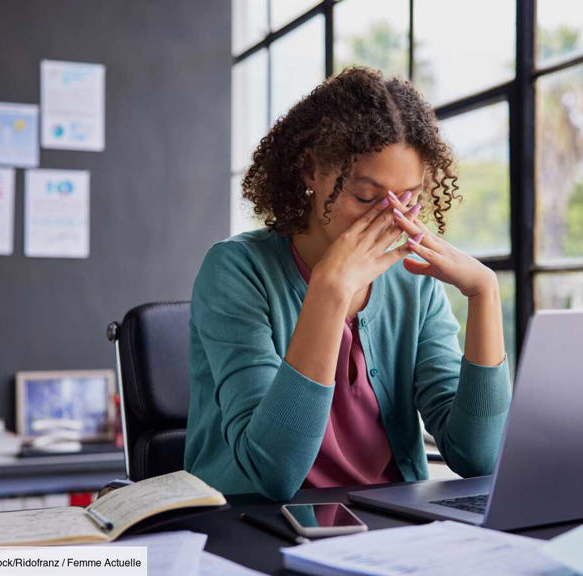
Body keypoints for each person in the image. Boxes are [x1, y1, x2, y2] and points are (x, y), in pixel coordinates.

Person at [184, 66, 512, 501]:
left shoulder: (413, 281)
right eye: (366, 197)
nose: (391, 219)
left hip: (395, 528)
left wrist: (483, 294)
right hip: (259, 525)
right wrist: (330, 291)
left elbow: (480, 457)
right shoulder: (235, 270)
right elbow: (272, 472)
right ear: (310, 172)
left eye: (408, 199)